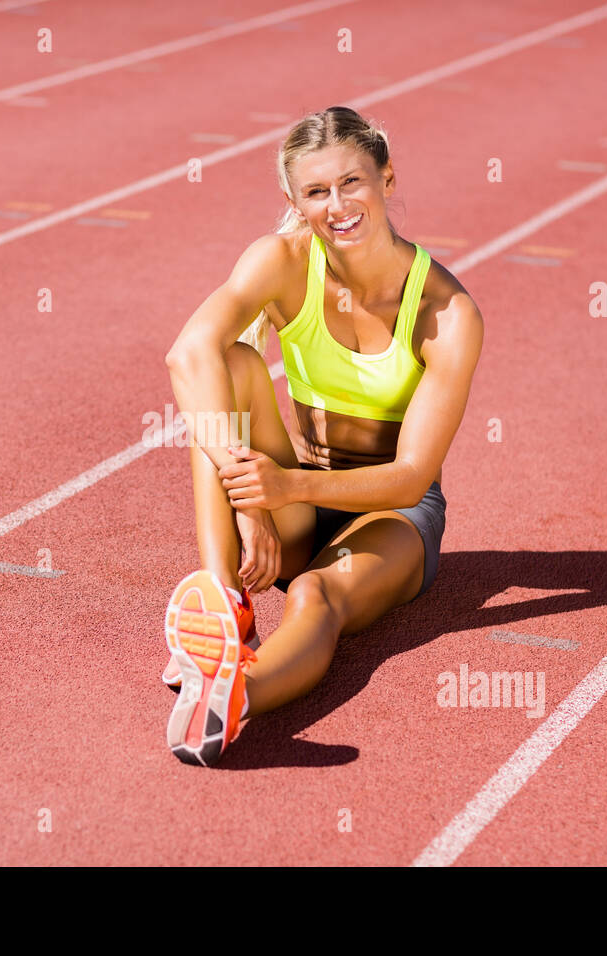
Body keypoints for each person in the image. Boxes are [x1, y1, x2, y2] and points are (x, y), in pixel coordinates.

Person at [162, 106, 484, 766]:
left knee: (316, 594)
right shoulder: (281, 262)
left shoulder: (446, 312)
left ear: (387, 179)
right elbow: (186, 356)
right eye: (316, 191)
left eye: (352, 183)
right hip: (296, 505)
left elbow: (413, 473)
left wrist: (280, 485)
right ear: (293, 200)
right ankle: (226, 608)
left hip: (392, 513)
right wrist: (253, 500)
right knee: (228, 366)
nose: (337, 205)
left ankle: (231, 693)